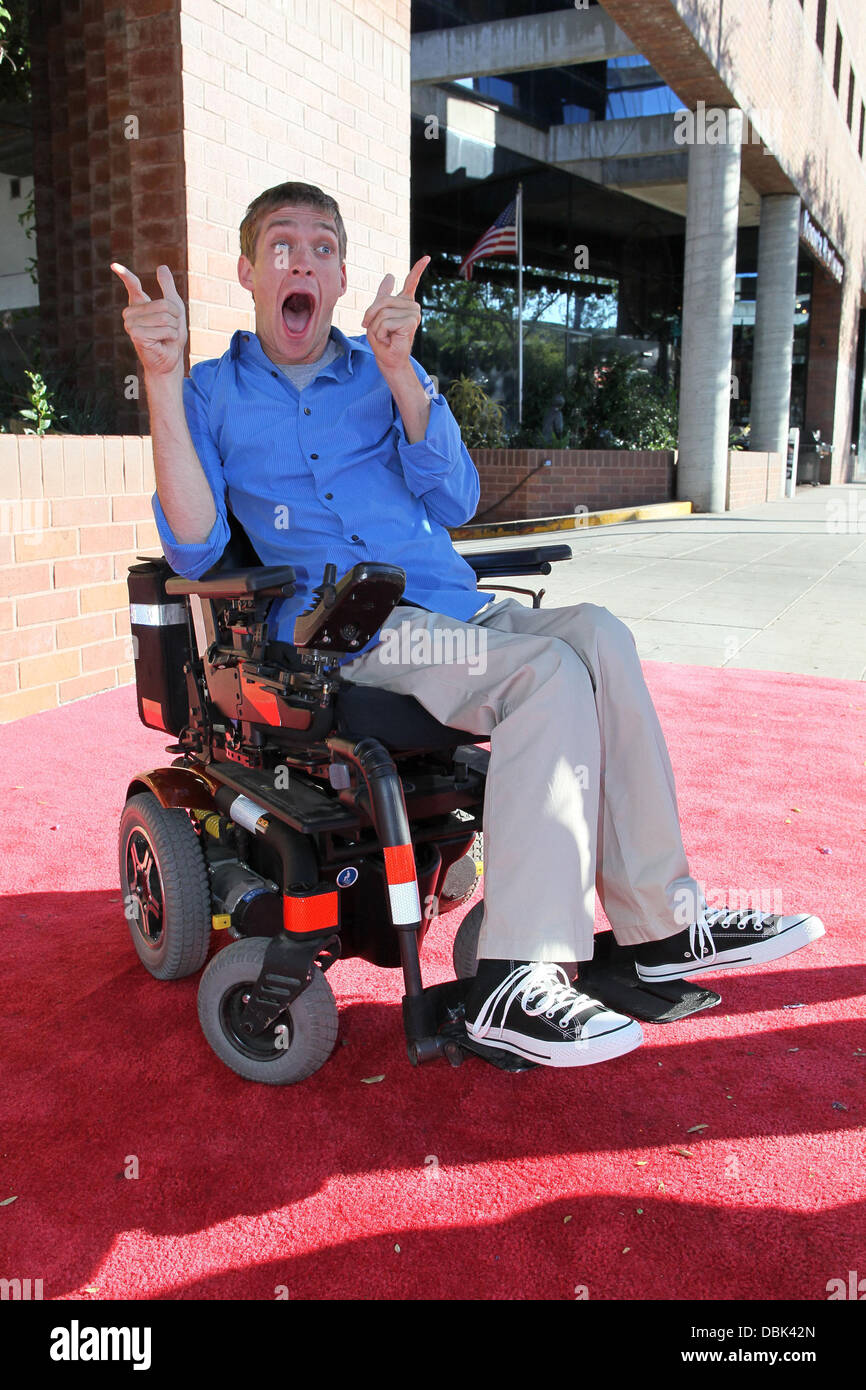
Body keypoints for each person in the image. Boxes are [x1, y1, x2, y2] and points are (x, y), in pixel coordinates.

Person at [113, 181, 825, 1071]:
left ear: (337, 279)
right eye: (283, 246)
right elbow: (193, 540)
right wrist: (162, 379)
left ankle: (661, 929)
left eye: (323, 247)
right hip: (344, 634)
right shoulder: (211, 393)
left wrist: (404, 369)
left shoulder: (383, 373)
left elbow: (457, 498)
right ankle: (513, 977)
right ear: (249, 271)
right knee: (546, 677)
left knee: (600, 634)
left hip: (452, 609)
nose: (304, 260)